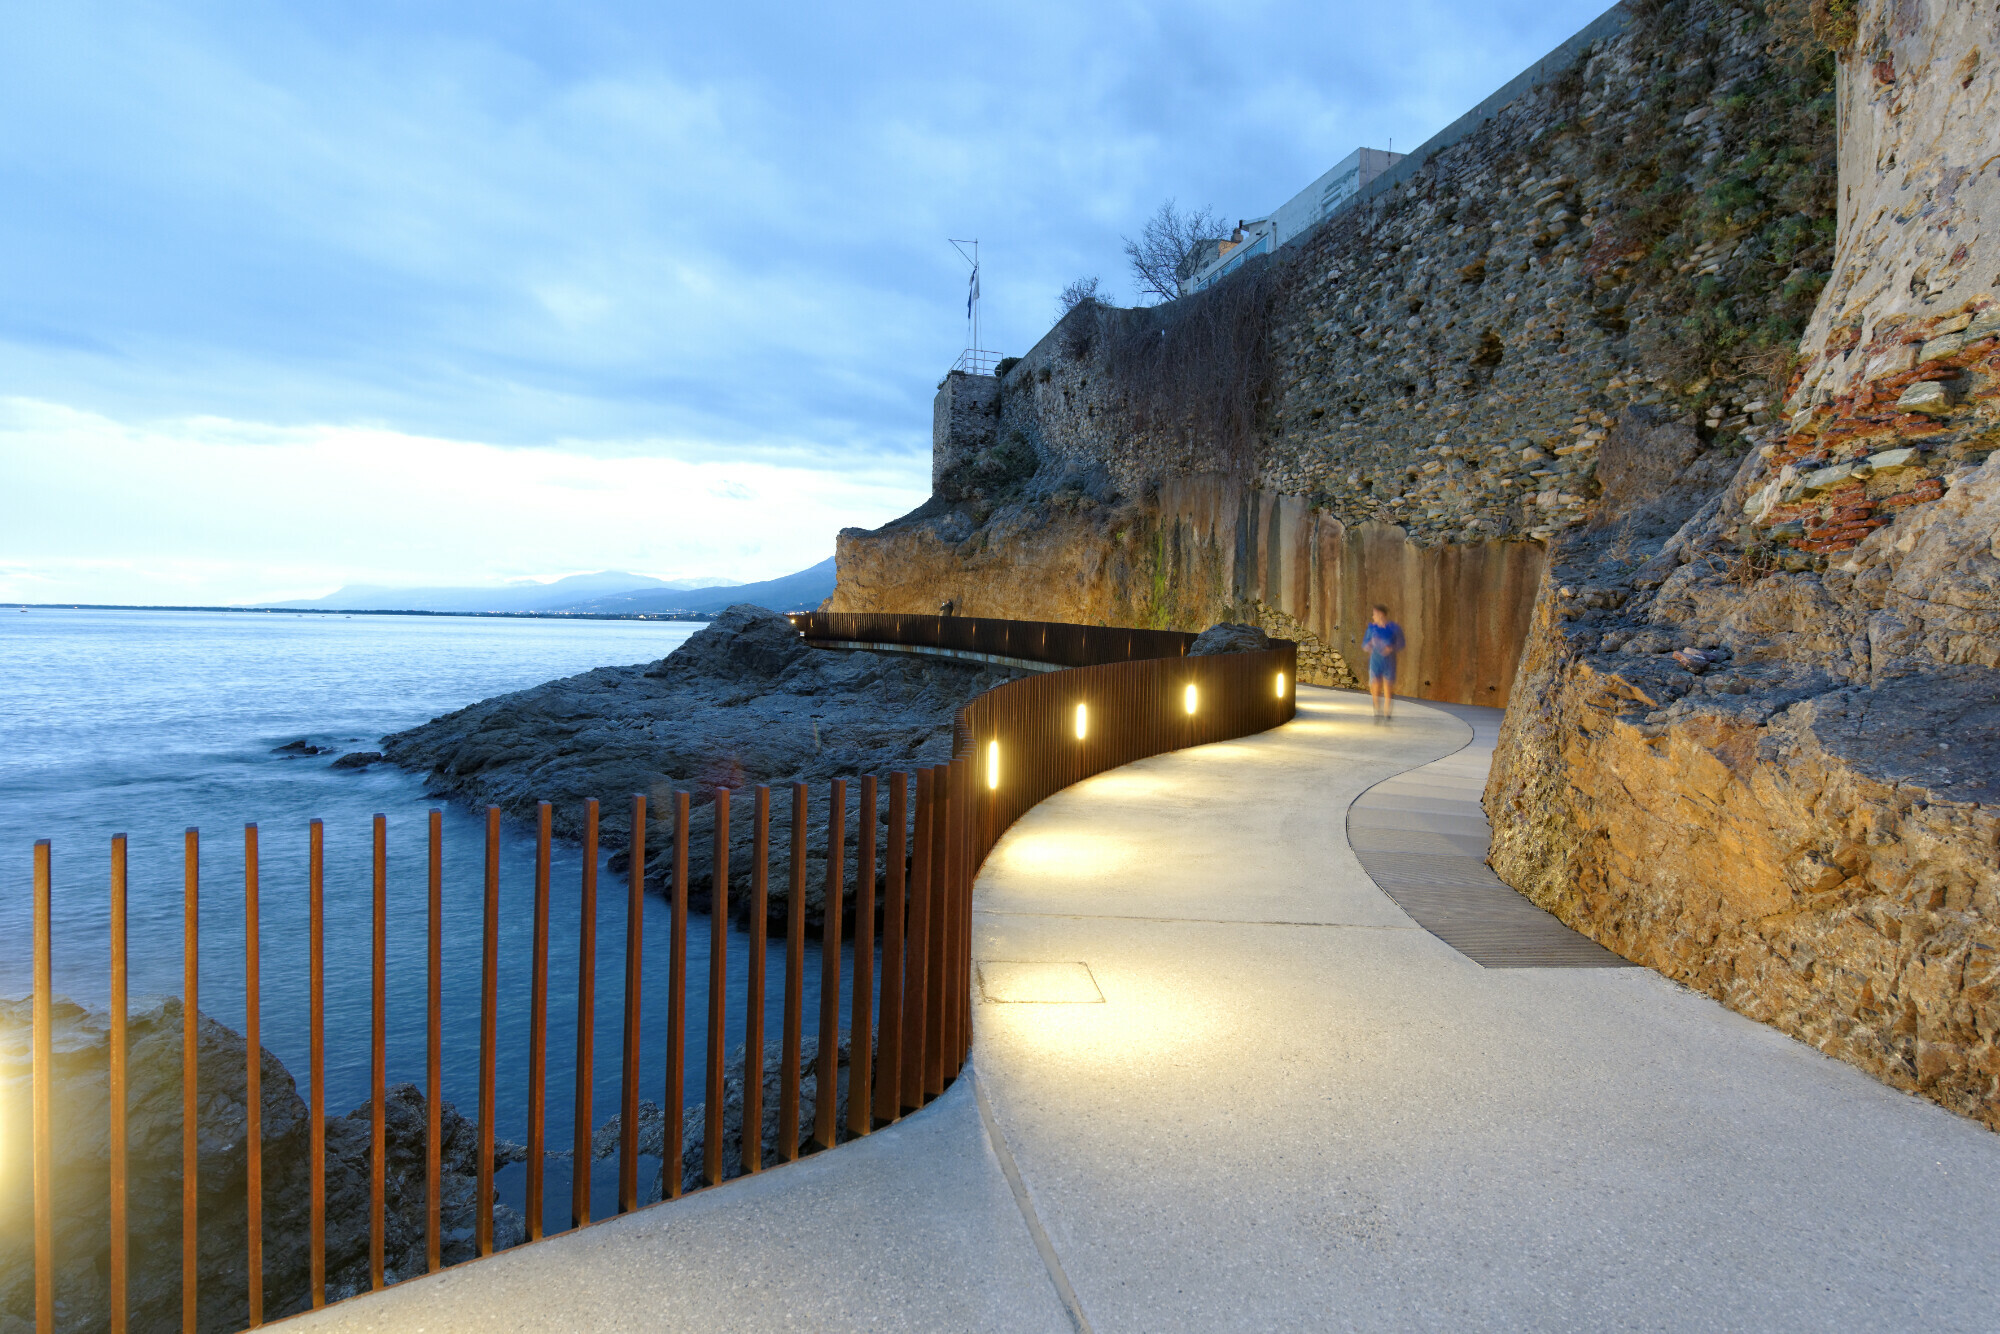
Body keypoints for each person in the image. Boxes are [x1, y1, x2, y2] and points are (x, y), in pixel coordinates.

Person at [1362, 604, 1404, 721]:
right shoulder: (1371, 629)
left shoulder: (1394, 628)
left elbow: (1401, 643)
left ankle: (1387, 711)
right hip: (1375, 660)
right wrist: (1369, 645)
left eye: (1374, 614)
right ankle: (1377, 709)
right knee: (1375, 684)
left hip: (1389, 661)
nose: (1373, 616)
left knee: (1388, 686)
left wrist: (1391, 648)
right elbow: (1365, 644)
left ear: (1381, 614)